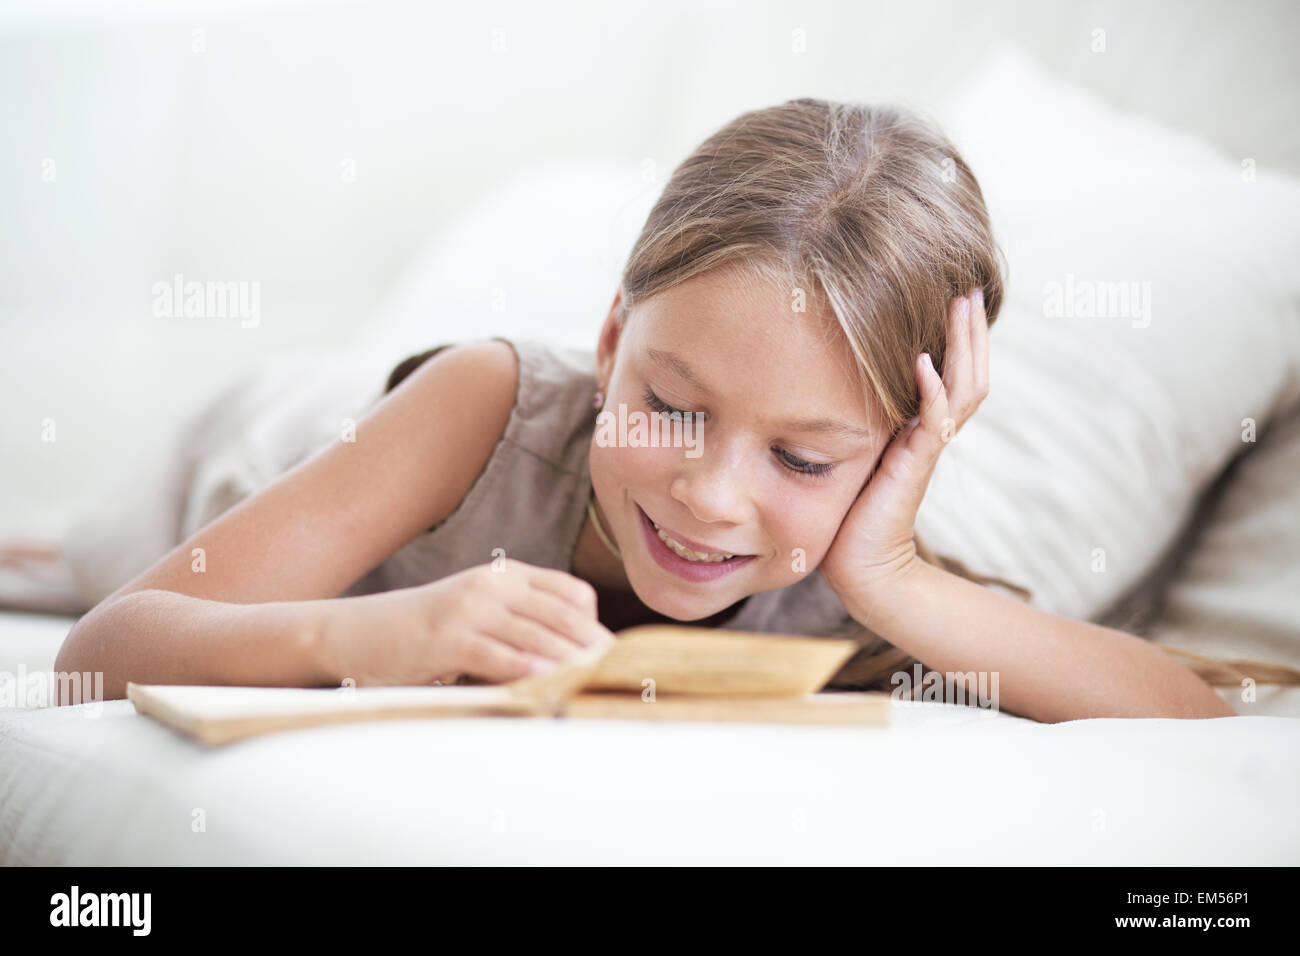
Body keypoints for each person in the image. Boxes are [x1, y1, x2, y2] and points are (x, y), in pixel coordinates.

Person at [50, 99, 1292, 720]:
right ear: (610, 341)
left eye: (804, 454)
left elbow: (1180, 715)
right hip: (257, 453)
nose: (708, 494)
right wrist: (356, 641)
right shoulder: (489, 401)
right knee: (65, 548)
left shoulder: (846, 571)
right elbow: (98, 651)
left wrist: (891, 567)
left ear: (897, 451)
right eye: (671, 406)